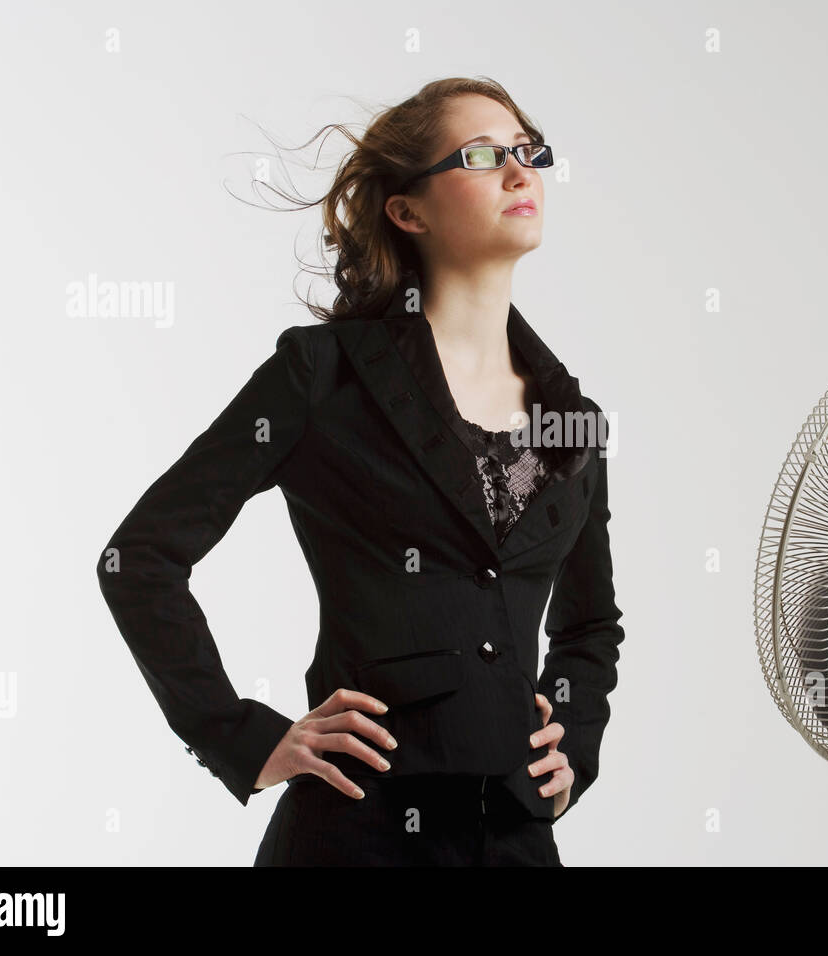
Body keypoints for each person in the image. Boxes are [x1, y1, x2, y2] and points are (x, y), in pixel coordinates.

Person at [95, 77, 625, 866]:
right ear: (407, 211)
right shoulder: (321, 376)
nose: (520, 172)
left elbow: (589, 624)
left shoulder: (571, 418)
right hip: (355, 833)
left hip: (516, 839)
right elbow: (138, 558)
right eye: (482, 155)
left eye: (528, 151)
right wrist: (244, 737)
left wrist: (573, 744)